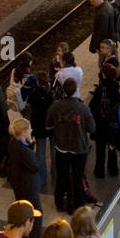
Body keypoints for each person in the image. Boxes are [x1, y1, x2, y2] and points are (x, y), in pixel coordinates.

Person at [47, 77, 96, 214]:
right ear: (75, 91)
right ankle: (77, 204)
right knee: (78, 176)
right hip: (79, 149)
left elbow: (48, 125)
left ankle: (60, 201)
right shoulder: (83, 108)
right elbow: (92, 128)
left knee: (61, 176)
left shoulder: (55, 106)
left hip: (61, 148)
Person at [7, 115, 43, 212]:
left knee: (22, 207)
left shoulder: (13, 141)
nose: (31, 130)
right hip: (27, 185)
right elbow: (35, 166)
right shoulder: (25, 152)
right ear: (23, 132)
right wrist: (33, 152)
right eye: (29, 129)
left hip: (17, 181)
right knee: (36, 211)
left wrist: (31, 142)